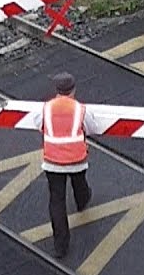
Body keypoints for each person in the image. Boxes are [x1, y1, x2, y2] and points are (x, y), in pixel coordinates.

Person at [26, 72, 97, 258]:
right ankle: (82, 202)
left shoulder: (46, 108)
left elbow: (37, 123)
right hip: (77, 159)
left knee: (56, 200)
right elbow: (90, 127)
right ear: (74, 89)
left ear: (56, 90)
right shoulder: (80, 109)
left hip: (53, 161)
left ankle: (61, 246)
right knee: (79, 182)